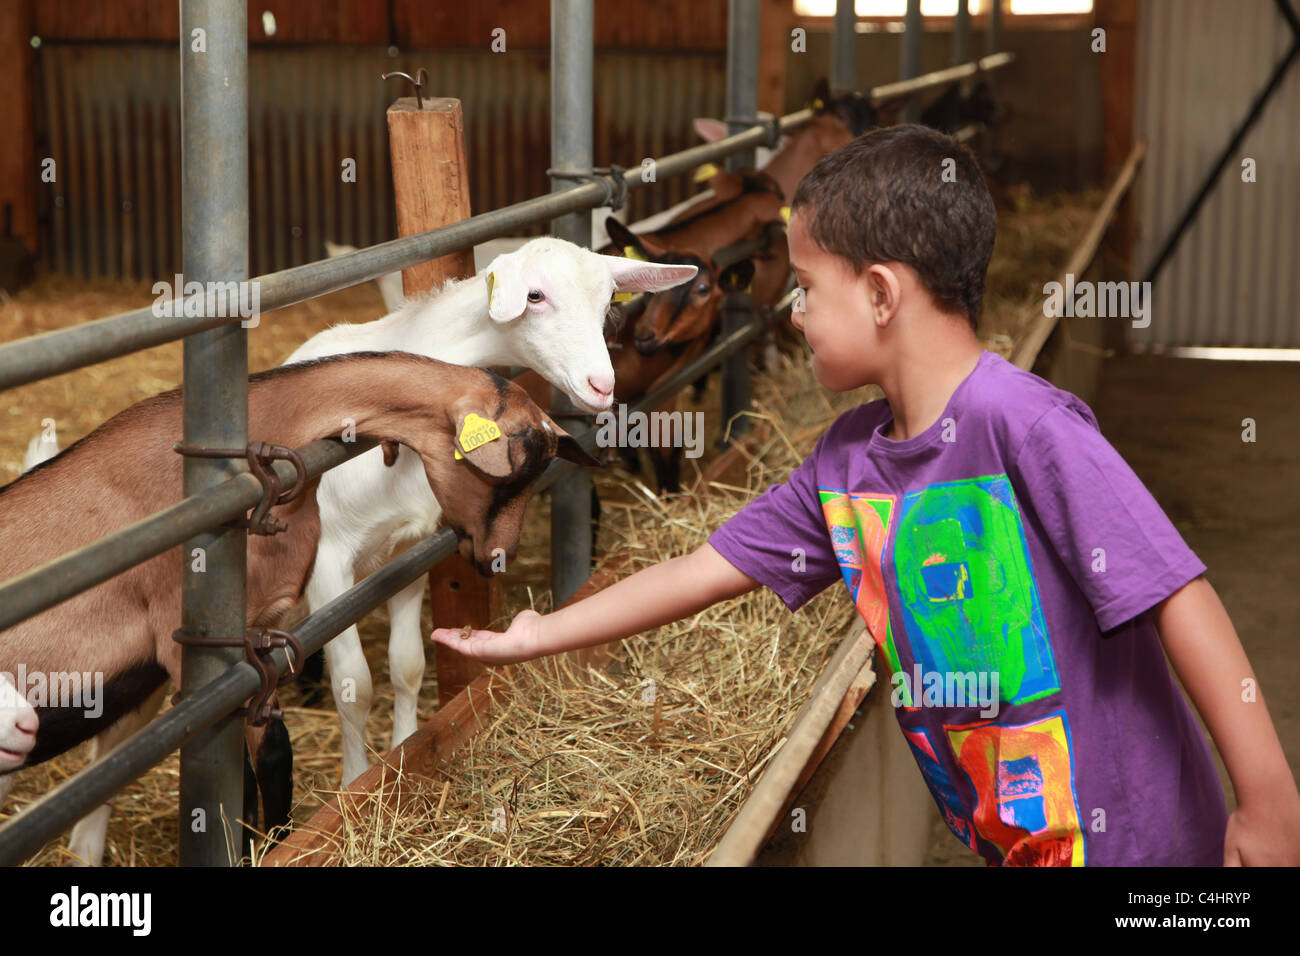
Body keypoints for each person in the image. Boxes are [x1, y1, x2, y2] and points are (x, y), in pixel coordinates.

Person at [431, 124, 1300, 867]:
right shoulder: (847, 463)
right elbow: (705, 568)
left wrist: (1267, 802)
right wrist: (541, 633)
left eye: (807, 288)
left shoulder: (1025, 425)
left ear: (881, 293)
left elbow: (1175, 593)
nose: (794, 312)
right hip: (1014, 834)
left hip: (1137, 840)